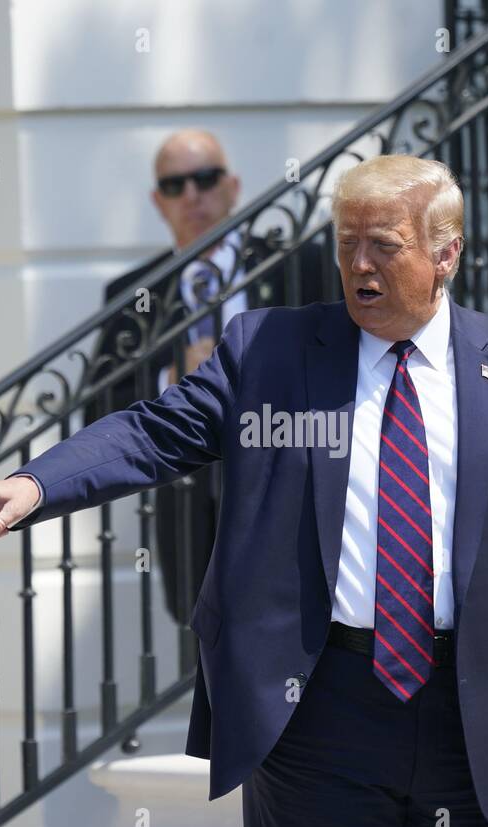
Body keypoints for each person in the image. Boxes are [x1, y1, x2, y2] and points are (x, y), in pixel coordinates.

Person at [0, 154, 488, 827]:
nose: (358, 265)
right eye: (346, 244)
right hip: (319, 712)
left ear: (445, 254)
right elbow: (153, 431)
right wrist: (34, 486)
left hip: (473, 713)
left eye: (384, 246)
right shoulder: (271, 353)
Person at [86, 129, 325, 627]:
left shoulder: (296, 264)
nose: (192, 196)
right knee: (213, 668)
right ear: (158, 201)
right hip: (191, 516)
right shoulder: (133, 294)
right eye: (175, 186)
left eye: (205, 179)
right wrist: (168, 379)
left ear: (233, 187)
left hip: (291, 502)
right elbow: (98, 409)